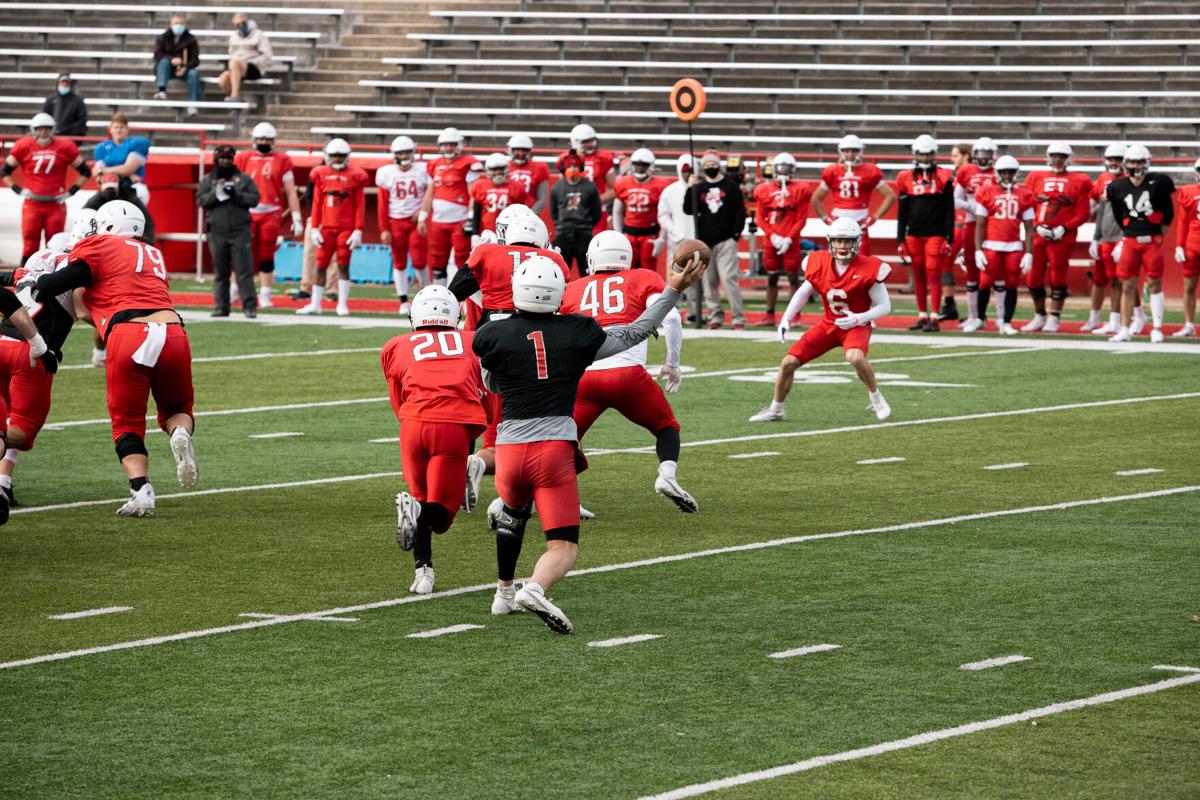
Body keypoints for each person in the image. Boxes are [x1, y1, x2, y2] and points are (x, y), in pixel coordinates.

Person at [472, 250, 706, 633]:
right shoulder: (579, 332)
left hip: (510, 449)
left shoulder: (490, 335)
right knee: (562, 546)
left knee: (512, 518)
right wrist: (673, 290)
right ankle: (536, 587)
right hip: (554, 450)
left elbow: (490, 383)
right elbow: (636, 330)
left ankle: (503, 594)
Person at [29, 201, 197, 517]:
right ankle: (180, 433)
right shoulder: (153, 254)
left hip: (129, 334)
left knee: (128, 421)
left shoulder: (100, 243)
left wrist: (35, 282)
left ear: (106, 225)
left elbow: (57, 283)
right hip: (174, 330)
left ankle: (142, 492)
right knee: (177, 409)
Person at [559, 230, 695, 512]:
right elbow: (670, 318)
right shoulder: (642, 277)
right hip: (628, 374)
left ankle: (527, 500)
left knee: (563, 441)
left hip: (584, 378)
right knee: (666, 428)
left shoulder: (573, 288)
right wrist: (672, 363)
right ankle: (667, 476)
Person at [450, 205, 567, 508]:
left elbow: (453, 294)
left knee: (485, 411)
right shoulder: (550, 258)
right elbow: (565, 303)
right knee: (530, 416)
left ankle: (472, 468)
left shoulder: (485, 251)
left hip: (486, 337)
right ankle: (513, 494)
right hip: (531, 337)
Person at [382, 285, 488, 596]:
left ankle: (423, 571)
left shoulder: (396, 345)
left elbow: (397, 399)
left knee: (419, 497)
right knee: (441, 516)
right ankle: (417, 517)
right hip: (452, 428)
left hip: (413, 425)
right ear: (456, 314)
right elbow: (489, 396)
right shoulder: (472, 342)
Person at [750, 217, 892, 423]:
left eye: (848, 241)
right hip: (828, 324)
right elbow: (803, 292)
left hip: (855, 326)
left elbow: (885, 306)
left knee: (855, 357)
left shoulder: (869, 267)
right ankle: (776, 409)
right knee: (788, 363)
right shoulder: (818, 262)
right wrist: (786, 318)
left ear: (857, 242)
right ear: (830, 241)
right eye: (838, 241)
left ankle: (876, 397)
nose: (843, 246)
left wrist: (859, 318)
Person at [0, 231, 79, 508]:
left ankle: (3, 484)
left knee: (7, 420)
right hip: (31, 353)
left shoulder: (30, 267)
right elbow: (87, 309)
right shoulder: (75, 271)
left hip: (2, 342)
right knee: (22, 431)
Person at [1106, 145, 1175, 343]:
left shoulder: (1159, 182)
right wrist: (1126, 235)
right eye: (1132, 162)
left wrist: (1159, 234)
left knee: (1154, 283)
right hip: (1130, 240)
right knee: (1127, 284)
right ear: (1126, 163)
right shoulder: (1117, 186)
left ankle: (1157, 328)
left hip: (1151, 240)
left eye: (1139, 162)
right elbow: (1119, 216)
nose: (1135, 166)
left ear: (1147, 162)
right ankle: (1125, 328)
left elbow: (1168, 213)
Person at [1, 113, 89, 264]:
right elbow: (5, 171)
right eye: (40, 129)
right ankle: (25, 275)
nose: (43, 132)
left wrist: (71, 191)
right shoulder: (24, 145)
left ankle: (54, 279)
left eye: (47, 129)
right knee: (30, 242)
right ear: (33, 129)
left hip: (55, 204)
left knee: (55, 243)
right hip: (32, 203)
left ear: (52, 129)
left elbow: (85, 171)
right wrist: (18, 189)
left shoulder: (64, 146)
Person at [1023, 142, 1092, 332]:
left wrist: (1065, 227)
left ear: (1068, 159)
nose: (1057, 160)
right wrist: (1036, 226)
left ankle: (1054, 316)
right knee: (1033, 276)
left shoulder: (1079, 180)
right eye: (1054, 156)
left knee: (1057, 274)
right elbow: (1028, 206)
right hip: (1039, 234)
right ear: (1047, 156)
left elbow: (1083, 212)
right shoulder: (1035, 177)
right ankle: (1039, 315)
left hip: (1062, 237)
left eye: (1061, 156)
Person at [235, 122, 303, 310]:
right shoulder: (243, 157)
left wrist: (296, 216)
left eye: (267, 139)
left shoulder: (282, 159)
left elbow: (290, 191)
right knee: (241, 252)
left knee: (266, 254)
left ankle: (265, 294)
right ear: (254, 140)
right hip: (246, 211)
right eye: (261, 139)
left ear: (273, 141)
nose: (264, 142)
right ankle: (234, 290)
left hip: (271, 211)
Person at [298, 139, 367, 316]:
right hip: (326, 227)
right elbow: (316, 203)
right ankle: (315, 304)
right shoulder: (320, 173)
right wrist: (314, 227)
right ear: (328, 156)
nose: (337, 159)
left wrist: (358, 229)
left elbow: (360, 204)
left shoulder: (355, 175)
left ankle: (342, 304)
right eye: (335, 155)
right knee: (320, 264)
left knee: (343, 264)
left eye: (341, 156)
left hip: (346, 228)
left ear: (347, 156)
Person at [895, 135, 955, 331]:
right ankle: (922, 315)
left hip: (935, 233)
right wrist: (900, 239)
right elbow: (902, 211)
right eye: (922, 154)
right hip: (914, 233)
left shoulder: (943, 176)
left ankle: (935, 316)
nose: (925, 158)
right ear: (915, 154)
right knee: (918, 273)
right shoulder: (905, 177)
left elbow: (949, 209)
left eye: (928, 154)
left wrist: (949, 236)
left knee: (933, 273)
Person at [683, 150, 746, 329]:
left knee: (728, 279)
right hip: (705, 241)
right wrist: (690, 187)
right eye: (707, 165)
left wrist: (735, 236)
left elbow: (739, 213)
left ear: (719, 165)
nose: (710, 167)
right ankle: (715, 316)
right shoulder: (699, 187)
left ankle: (737, 318)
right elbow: (688, 209)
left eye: (713, 164)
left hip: (726, 240)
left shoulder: (731, 186)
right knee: (708, 283)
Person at [971, 155, 1035, 335]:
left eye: (1010, 172)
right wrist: (978, 250)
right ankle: (979, 318)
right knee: (984, 282)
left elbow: (1029, 228)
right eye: (1004, 172)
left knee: (1012, 283)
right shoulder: (986, 192)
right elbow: (980, 224)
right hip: (992, 244)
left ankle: (1006, 322)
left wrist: (1029, 252)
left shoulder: (1025, 195)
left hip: (1013, 245)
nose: (1007, 175)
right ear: (998, 173)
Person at [197, 145, 260, 317]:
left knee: (244, 270)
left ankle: (249, 306)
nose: (225, 161)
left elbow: (254, 199)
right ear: (216, 160)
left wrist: (236, 194)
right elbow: (201, 200)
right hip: (216, 231)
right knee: (220, 271)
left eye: (228, 158)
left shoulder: (244, 179)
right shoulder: (208, 180)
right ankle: (221, 306)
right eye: (222, 158)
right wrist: (215, 193)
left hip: (240, 230)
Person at [811, 134, 896, 258]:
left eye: (854, 151)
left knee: (863, 260)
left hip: (860, 222)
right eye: (847, 151)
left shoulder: (870, 171)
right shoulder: (832, 171)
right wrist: (826, 219)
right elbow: (815, 199)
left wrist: (874, 217)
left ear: (860, 151)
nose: (850, 154)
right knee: (837, 260)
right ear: (841, 152)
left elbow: (890, 195)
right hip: (838, 221)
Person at [753, 152, 814, 326]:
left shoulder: (801, 189)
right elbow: (759, 218)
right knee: (771, 278)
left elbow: (802, 218)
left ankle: (794, 316)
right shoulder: (764, 190)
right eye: (781, 167)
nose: (784, 172)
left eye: (787, 168)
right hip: (771, 241)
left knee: (793, 278)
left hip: (791, 241)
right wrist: (773, 235)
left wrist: (788, 238)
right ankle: (770, 315)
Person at [1088, 144, 1140, 335]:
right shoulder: (1103, 179)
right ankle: (1119, 319)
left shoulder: (1131, 180)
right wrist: (1096, 238)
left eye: (1117, 159)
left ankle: (1121, 319)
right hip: (1106, 235)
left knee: (1124, 279)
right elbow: (1101, 209)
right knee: (1111, 278)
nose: (1113, 163)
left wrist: (1127, 236)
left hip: (1123, 235)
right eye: (1111, 159)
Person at [418, 127, 480, 283]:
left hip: (459, 220)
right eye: (446, 145)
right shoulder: (433, 165)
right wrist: (422, 217)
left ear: (458, 145)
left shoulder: (467, 163)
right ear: (440, 146)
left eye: (452, 145)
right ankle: (440, 296)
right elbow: (430, 192)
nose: (448, 148)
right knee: (437, 261)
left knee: (463, 259)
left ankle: (462, 299)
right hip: (438, 221)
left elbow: (473, 194)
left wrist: (471, 219)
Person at [376, 135, 429, 315]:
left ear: (413, 152)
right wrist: (383, 228)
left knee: (419, 260)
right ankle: (403, 300)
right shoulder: (387, 172)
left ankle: (426, 296)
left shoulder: (423, 170)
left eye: (407, 151)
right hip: (395, 221)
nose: (404, 155)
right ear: (394, 154)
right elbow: (382, 203)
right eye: (401, 152)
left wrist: (422, 211)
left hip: (415, 222)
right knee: (399, 263)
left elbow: (432, 194)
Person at [86, 113, 154, 242]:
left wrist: (106, 171)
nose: (119, 130)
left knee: (140, 220)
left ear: (127, 129)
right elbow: (97, 175)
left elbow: (129, 168)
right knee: (88, 213)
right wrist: (124, 172)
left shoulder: (137, 143)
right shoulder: (102, 148)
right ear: (110, 129)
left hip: (132, 188)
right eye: (116, 127)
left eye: (122, 127)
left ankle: (146, 246)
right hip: (109, 189)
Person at [952, 138, 997, 330]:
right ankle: (973, 316)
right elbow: (955, 199)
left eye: (987, 154)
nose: (983, 158)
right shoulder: (966, 171)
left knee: (988, 272)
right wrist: (973, 208)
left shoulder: (999, 171)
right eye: (980, 154)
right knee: (971, 270)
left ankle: (988, 316)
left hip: (993, 226)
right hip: (971, 223)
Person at [612, 148, 671, 272]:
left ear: (651, 166)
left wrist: (662, 238)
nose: (640, 168)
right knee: (627, 269)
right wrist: (618, 235)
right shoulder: (622, 182)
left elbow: (665, 214)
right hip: (629, 233)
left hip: (649, 235)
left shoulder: (660, 186)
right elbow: (617, 212)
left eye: (644, 165)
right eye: (637, 165)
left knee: (648, 271)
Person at [657, 154, 699, 322]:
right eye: (685, 170)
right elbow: (663, 214)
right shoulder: (670, 190)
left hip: (696, 241)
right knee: (674, 277)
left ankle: (694, 312)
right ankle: (673, 311)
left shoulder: (700, 188)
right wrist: (674, 231)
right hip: (676, 241)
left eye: (691, 170)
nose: (687, 174)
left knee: (694, 278)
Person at [549, 153, 602, 279]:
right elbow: (554, 212)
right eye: (569, 166)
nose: (573, 169)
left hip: (584, 234)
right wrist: (562, 226)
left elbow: (596, 212)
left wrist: (586, 226)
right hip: (563, 234)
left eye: (575, 166)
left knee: (588, 272)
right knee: (559, 272)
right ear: (564, 169)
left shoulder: (590, 187)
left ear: (581, 168)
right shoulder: (557, 187)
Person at [557, 123, 616, 234]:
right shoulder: (565, 158)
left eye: (592, 141)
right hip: (572, 209)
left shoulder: (604, 157)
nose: (591, 145)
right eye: (586, 142)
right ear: (576, 142)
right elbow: (562, 188)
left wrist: (596, 201)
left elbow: (616, 189)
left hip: (597, 210)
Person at [467, 153, 531, 239]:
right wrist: (475, 234)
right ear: (488, 170)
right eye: (494, 170)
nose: (498, 172)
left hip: (510, 233)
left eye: (501, 169)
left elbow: (521, 214)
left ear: (506, 169)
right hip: (486, 232)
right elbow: (477, 213)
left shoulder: (517, 186)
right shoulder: (480, 185)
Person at [1173, 157, 1200, 338]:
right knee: (1189, 286)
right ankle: (1189, 324)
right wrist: (1178, 246)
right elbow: (1183, 222)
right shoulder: (1189, 191)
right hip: (1193, 245)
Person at [153, 14, 201, 116]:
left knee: (194, 74)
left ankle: (192, 103)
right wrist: (171, 59)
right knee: (163, 62)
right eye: (176, 23)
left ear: (185, 25)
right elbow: (157, 55)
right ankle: (161, 90)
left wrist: (185, 67)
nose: (178, 26)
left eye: (181, 23)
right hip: (167, 70)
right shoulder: (162, 37)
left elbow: (195, 59)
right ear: (170, 25)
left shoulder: (191, 39)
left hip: (184, 69)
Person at [218, 13, 272, 103]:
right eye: (237, 24)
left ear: (247, 21)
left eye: (242, 23)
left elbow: (267, 55)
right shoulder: (234, 36)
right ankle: (238, 99)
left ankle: (234, 95)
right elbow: (231, 53)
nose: (240, 26)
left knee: (235, 63)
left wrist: (250, 62)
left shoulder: (259, 35)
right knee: (223, 80)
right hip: (236, 67)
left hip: (253, 67)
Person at [506, 134, 550, 214]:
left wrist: (529, 215)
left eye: (524, 150)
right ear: (511, 150)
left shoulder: (540, 168)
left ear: (529, 151)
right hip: (507, 214)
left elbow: (542, 199)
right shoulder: (504, 167)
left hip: (531, 213)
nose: (521, 153)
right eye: (517, 150)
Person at [41, 73, 87, 138]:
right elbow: (45, 117)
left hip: (71, 136)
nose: (64, 85)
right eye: (62, 82)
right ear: (58, 83)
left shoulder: (78, 101)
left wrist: (64, 130)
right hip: (52, 136)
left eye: (67, 83)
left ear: (70, 85)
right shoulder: (50, 99)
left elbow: (81, 121)